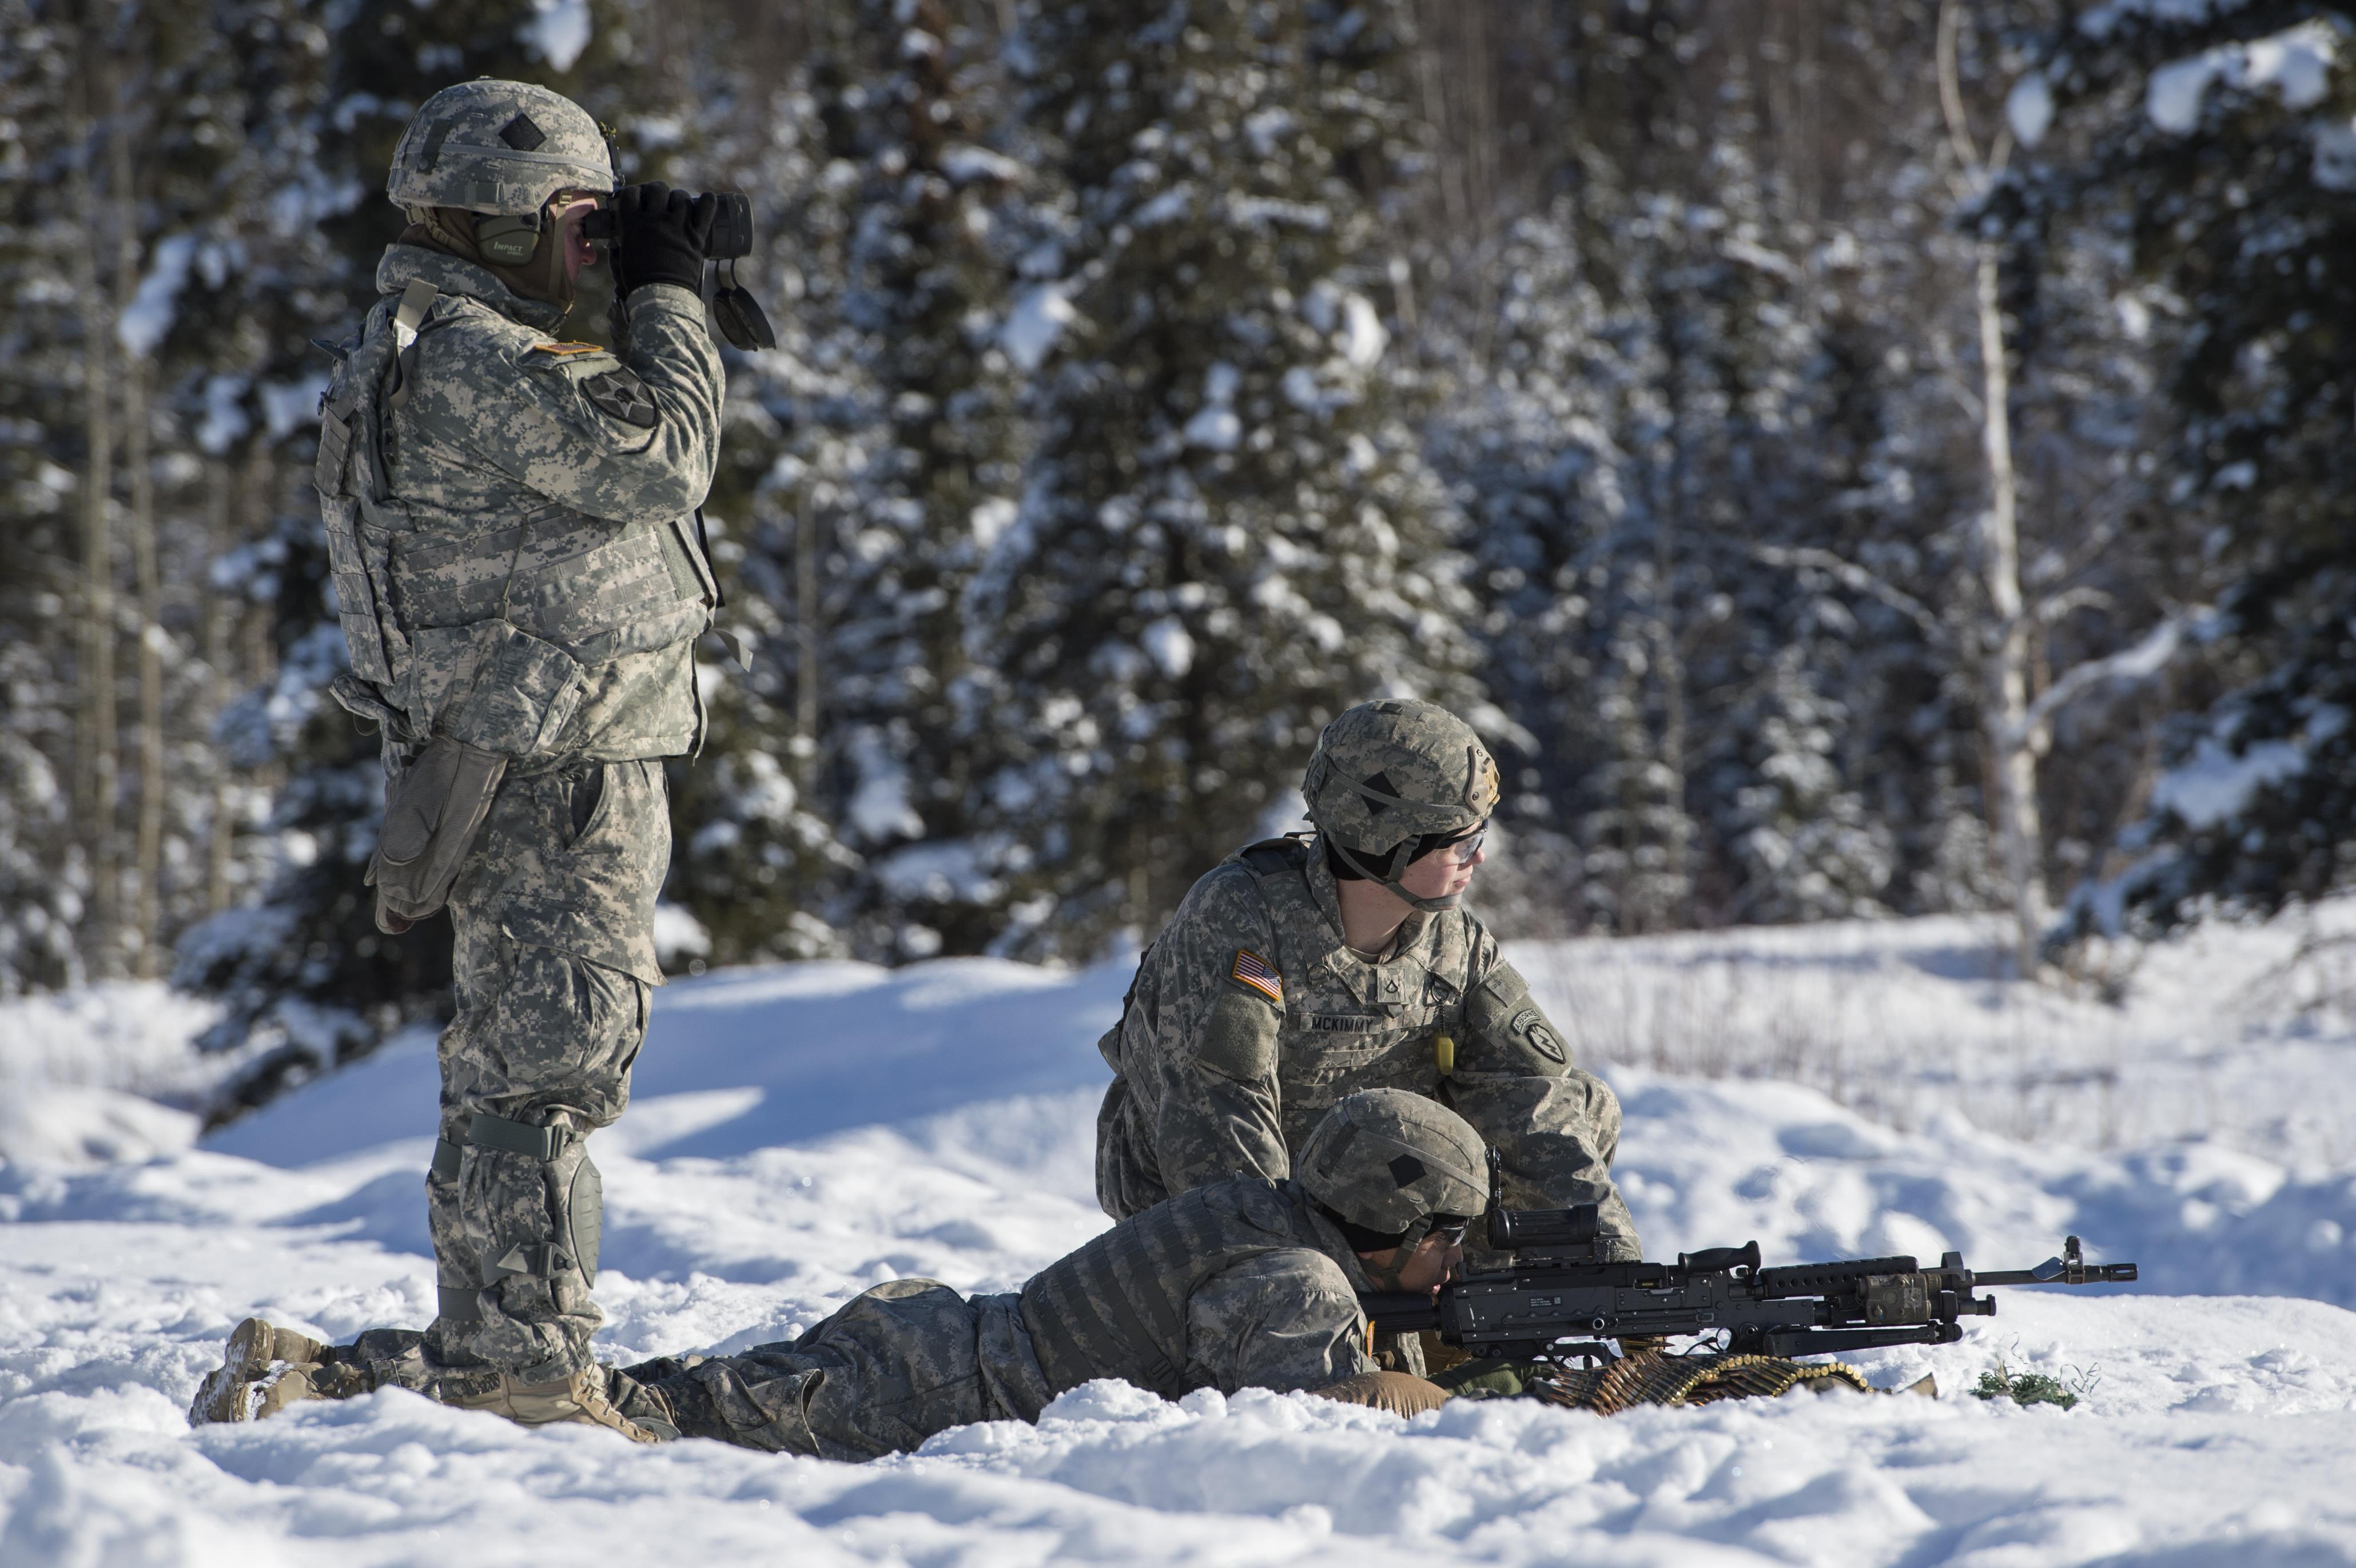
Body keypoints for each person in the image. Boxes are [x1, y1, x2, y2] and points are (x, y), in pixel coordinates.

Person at [272, 78, 727, 1438]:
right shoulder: (469, 354)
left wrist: (635, 285)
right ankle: (526, 1364)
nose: (593, 248)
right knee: (551, 1063)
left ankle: (494, 1335)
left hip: (510, 746)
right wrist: (673, 297)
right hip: (554, 761)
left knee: (513, 1059)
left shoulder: (422, 343)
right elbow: (664, 456)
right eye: (581, 223)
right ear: (507, 216)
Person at [191, 1091, 1490, 1454]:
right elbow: (1303, 1418)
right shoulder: (1298, 1278)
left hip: (931, 1345)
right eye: (1443, 1236)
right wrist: (1456, 1397)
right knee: (625, 1420)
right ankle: (325, 1385)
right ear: (1384, 1217)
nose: (1446, 1262)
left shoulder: (1260, 1208)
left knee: (644, 1397)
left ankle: (325, 1366)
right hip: (920, 1389)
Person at [1093, 699, 1641, 1279]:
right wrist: (1306, 1289)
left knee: (1582, 1102)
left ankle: (1477, 1317)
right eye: (1459, 843)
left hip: (1376, 1196)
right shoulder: (1239, 919)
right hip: (1220, 1206)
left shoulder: (1455, 942)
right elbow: (1221, 1131)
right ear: (1386, 841)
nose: (1477, 858)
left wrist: (1611, 1267)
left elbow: (1532, 1097)